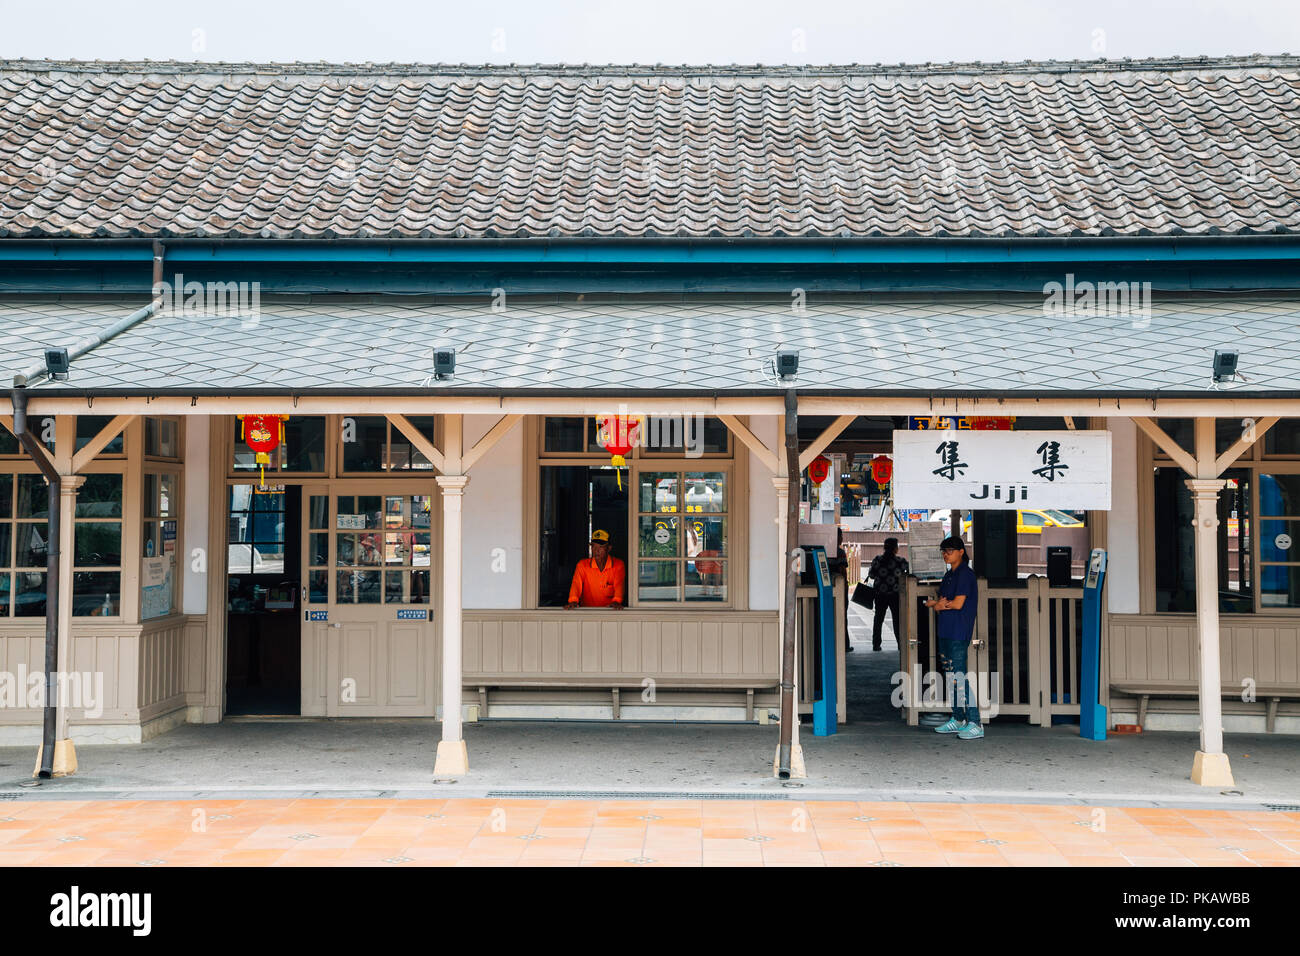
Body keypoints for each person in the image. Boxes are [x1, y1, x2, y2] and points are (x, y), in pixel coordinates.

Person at [924, 535, 982, 739]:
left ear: (961, 552)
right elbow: (943, 602)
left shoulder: (965, 574)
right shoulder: (949, 575)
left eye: (949, 550)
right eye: (943, 551)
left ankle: (975, 722)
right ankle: (958, 718)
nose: (945, 554)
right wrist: (937, 604)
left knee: (959, 676)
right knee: (951, 676)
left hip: (958, 631)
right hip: (945, 629)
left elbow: (957, 603)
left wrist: (937, 605)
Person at [867, 537, 909, 652]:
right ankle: (901, 645)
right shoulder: (901, 561)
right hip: (895, 595)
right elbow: (909, 574)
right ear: (896, 548)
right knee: (897, 621)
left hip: (880, 594)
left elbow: (871, 575)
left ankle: (876, 644)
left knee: (878, 619)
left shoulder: (878, 560)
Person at [565, 529, 626, 608]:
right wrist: (573, 601)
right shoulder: (583, 565)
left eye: (601, 547)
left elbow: (619, 588)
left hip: (610, 612)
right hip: (588, 612)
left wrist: (617, 601)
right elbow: (576, 585)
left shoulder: (618, 565)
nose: (596, 550)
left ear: (609, 548)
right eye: (594, 546)